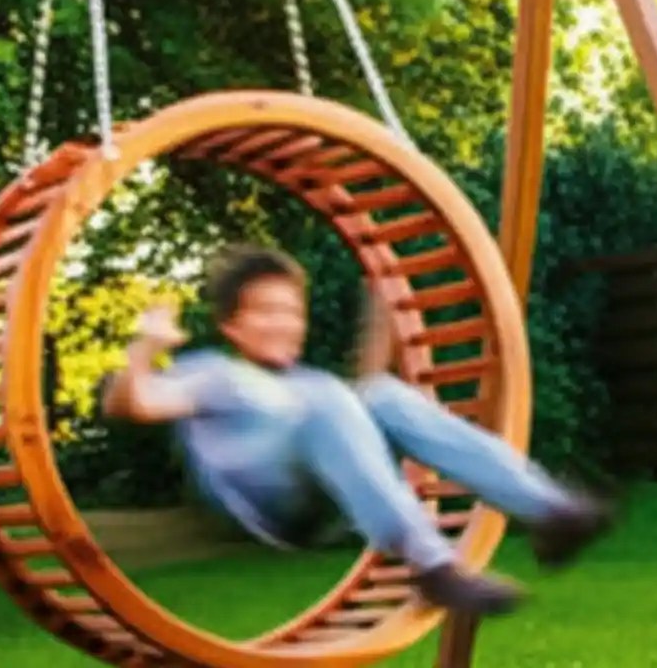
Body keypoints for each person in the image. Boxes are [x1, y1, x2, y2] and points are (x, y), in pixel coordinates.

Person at [100, 244, 611, 617]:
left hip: (326, 497)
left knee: (378, 393)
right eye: (268, 312)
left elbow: (356, 417)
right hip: (264, 503)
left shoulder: (311, 386)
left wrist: (380, 312)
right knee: (331, 398)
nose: (285, 323)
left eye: (292, 312)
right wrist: (145, 349)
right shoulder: (212, 372)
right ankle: (435, 568)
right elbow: (134, 402)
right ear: (233, 326)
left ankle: (550, 510)